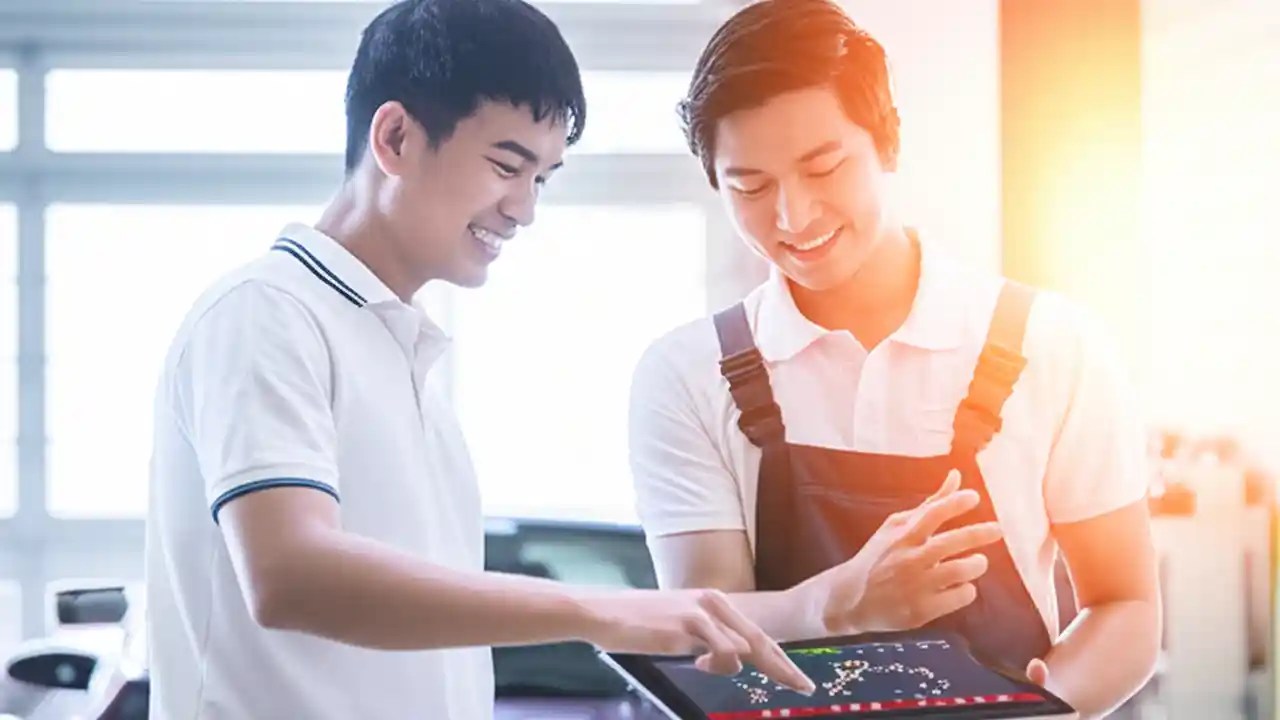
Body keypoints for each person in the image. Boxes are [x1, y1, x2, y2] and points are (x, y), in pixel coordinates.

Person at [143, 1, 827, 718]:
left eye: (544, 178)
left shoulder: (403, 361)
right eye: (508, 165)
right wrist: (597, 611)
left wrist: (825, 605)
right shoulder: (265, 312)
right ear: (397, 136)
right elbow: (289, 573)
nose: (525, 208)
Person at [628, 1, 1161, 718]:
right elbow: (711, 633)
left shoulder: (1054, 344)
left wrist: (1043, 707)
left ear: (889, 142)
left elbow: (1124, 604)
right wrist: (843, 604)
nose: (794, 217)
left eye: (824, 167)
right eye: (750, 187)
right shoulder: (687, 375)